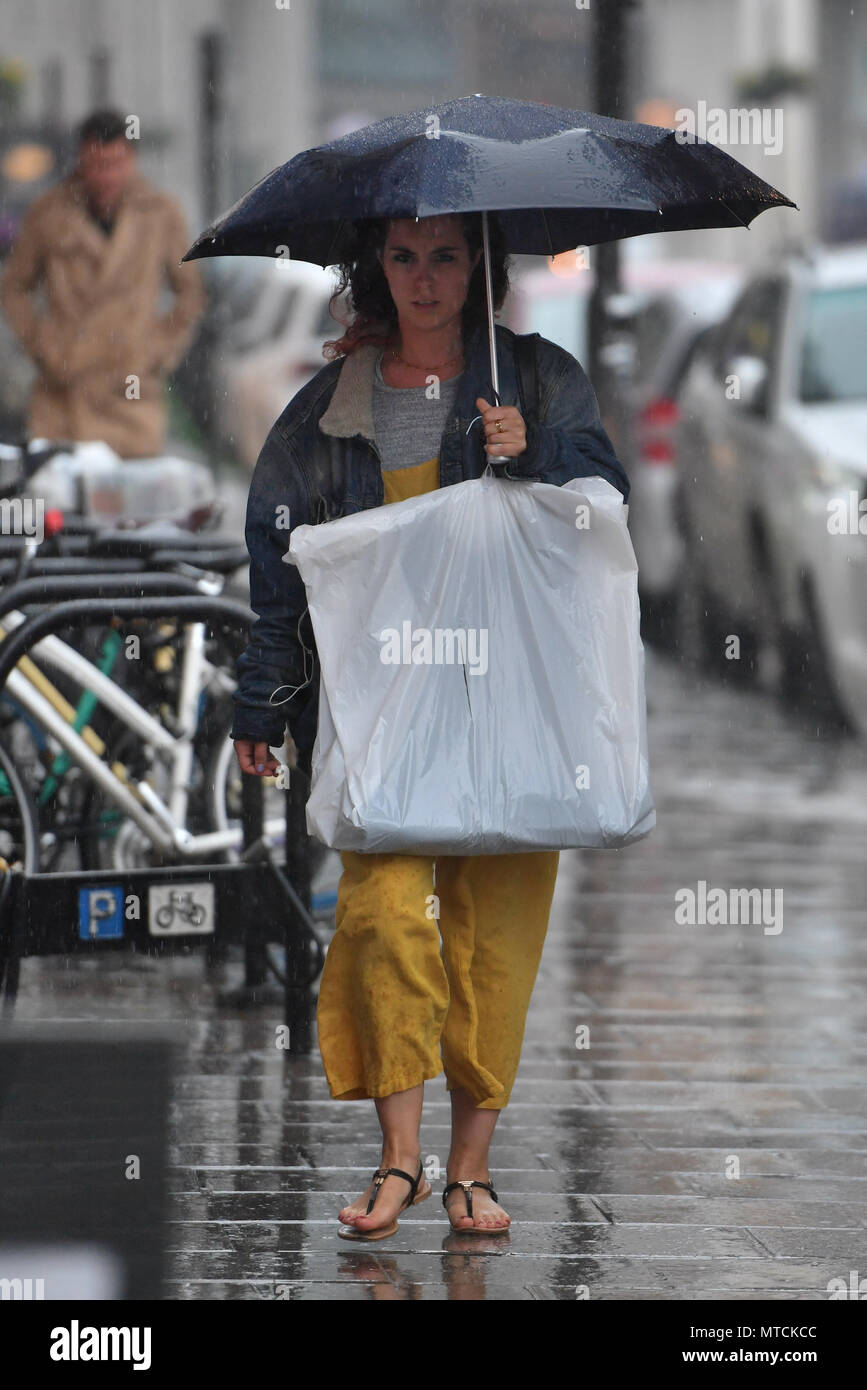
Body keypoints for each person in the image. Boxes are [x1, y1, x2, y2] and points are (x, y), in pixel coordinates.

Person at [231, 211, 630, 1237]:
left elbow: (605, 506)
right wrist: (264, 699)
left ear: (478, 269)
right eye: (403, 257)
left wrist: (535, 453)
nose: (423, 278)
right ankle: (399, 1157)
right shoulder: (331, 407)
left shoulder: (535, 380)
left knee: (495, 941)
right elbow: (281, 562)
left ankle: (470, 1170)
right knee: (381, 914)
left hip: (508, 706)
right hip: (385, 711)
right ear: (378, 271)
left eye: (445, 256)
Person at [0, 109, 205, 458]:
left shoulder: (160, 213)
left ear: (132, 160)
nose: (105, 175)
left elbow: (190, 293)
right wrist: (41, 343)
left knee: (131, 503)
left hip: (129, 390)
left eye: (115, 163)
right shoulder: (48, 212)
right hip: (63, 392)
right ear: (80, 160)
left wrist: (157, 350)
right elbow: (14, 287)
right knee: (63, 500)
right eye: (95, 164)